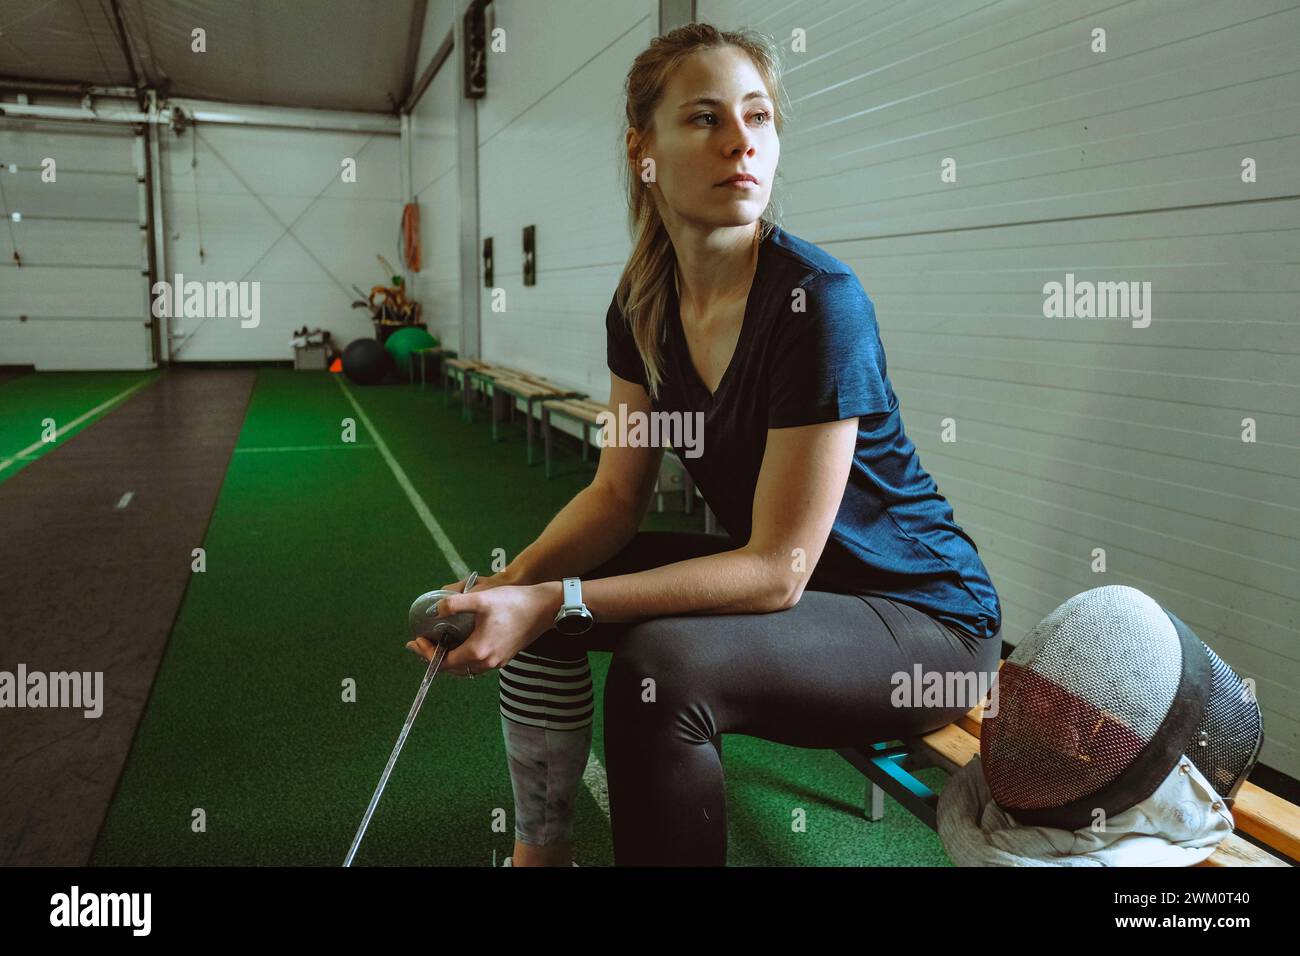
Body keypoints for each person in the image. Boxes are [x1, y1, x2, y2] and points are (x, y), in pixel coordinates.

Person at [407, 22, 1003, 867]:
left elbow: (775, 571)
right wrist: (509, 588)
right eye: (704, 119)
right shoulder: (642, 307)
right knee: (545, 591)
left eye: (759, 118)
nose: (740, 142)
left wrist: (552, 598)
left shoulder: (818, 303)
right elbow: (616, 498)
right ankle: (541, 855)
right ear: (641, 150)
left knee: (666, 669)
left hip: (920, 618)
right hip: (801, 598)